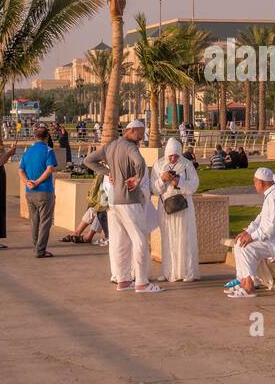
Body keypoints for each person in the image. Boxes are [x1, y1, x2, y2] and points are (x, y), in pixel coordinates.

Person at [84, 119, 159, 293]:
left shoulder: (110, 146)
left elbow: (89, 161)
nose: (142, 137)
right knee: (139, 240)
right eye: (140, 133)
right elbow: (140, 162)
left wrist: (108, 172)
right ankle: (141, 282)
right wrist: (137, 178)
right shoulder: (130, 147)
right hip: (129, 200)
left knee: (121, 242)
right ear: (131, 130)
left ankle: (123, 280)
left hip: (113, 202)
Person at [227, 167, 275, 297]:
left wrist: (252, 237)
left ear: (261, 182)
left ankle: (249, 288)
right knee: (240, 243)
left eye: (255, 182)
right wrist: (248, 232)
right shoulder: (271, 194)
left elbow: (272, 227)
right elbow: (260, 219)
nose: (254, 184)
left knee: (247, 248)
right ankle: (244, 281)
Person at [152, 137, 200, 283]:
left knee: (184, 238)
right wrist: (162, 179)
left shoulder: (187, 165)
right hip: (166, 208)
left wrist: (179, 182)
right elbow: (154, 188)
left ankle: (186, 272)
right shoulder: (158, 165)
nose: (173, 158)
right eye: (170, 155)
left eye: (176, 155)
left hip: (183, 207)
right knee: (167, 239)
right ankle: (168, 272)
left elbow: (194, 185)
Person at [19, 127, 58, 258]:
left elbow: (21, 170)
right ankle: (40, 250)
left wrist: (28, 182)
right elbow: (49, 169)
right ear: (47, 137)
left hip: (29, 192)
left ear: (35, 137)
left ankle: (36, 246)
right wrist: (37, 182)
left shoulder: (27, 151)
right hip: (44, 191)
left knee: (34, 221)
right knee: (45, 221)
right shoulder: (48, 150)